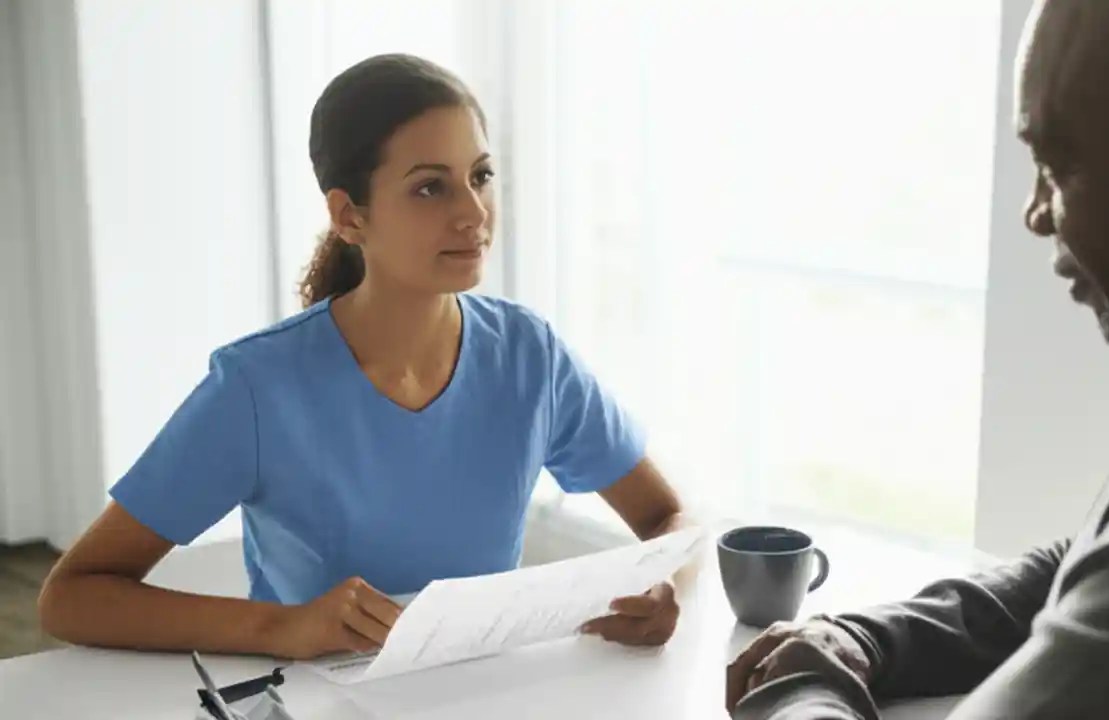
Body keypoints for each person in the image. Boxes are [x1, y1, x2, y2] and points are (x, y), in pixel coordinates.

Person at [727, 0, 1109, 717]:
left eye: (1057, 165)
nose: (1037, 212)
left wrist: (798, 691)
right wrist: (863, 641)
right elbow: (1095, 559)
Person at [38, 54, 686, 660]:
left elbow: (668, 517)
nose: (473, 213)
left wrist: (667, 587)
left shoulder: (530, 356)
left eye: (480, 176)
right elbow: (73, 596)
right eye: (431, 188)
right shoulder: (257, 388)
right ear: (349, 216)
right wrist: (281, 627)